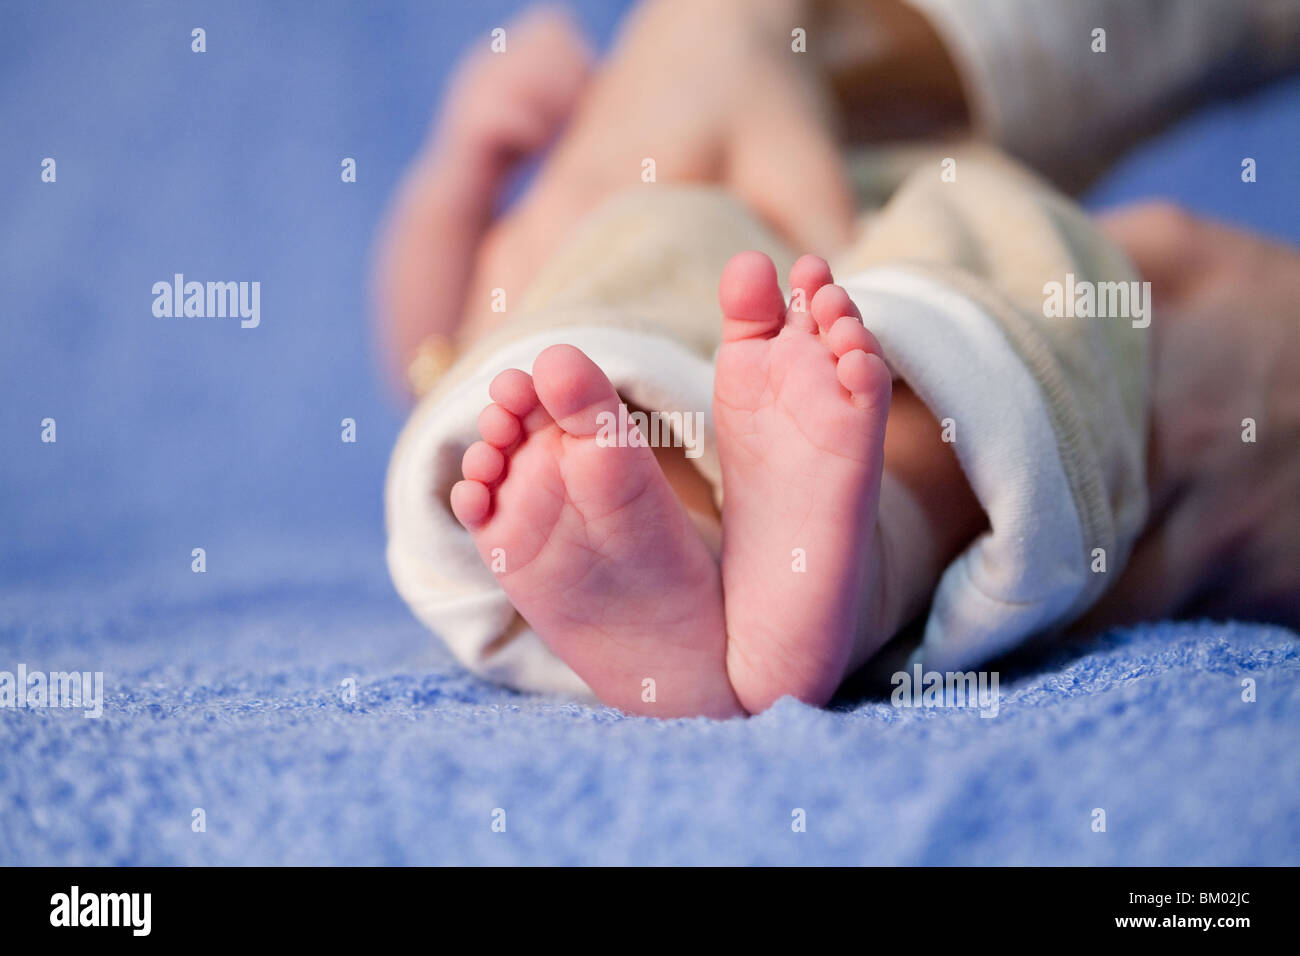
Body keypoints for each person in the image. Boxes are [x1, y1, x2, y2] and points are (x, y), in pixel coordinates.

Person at [378, 1, 1300, 716]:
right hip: (677, 279)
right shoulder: (604, 165)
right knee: (587, 338)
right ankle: (734, 550)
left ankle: (813, 562)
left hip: (871, 236)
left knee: (960, 275)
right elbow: (426, 354)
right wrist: (456, 187)